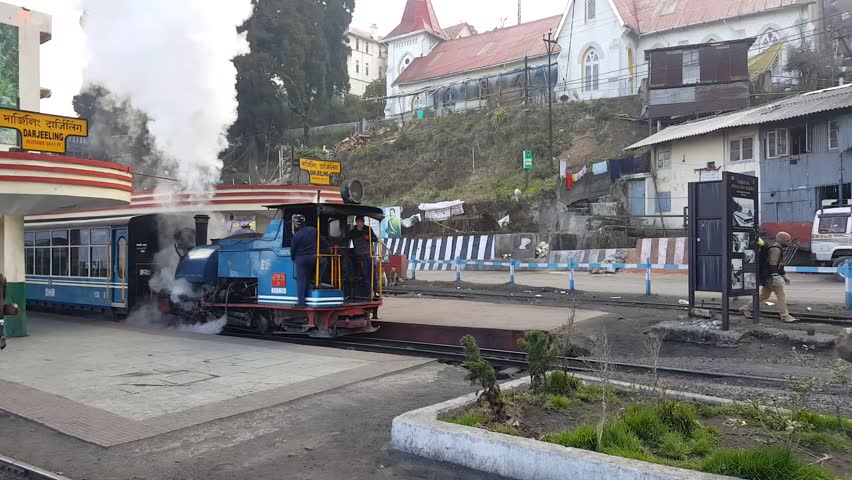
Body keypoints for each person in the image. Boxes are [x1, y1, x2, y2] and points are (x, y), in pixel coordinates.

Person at [741, 232, 797, 323]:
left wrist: (784, 275)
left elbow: (779, 265)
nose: (789, 242)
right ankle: (785, 315)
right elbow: (773, 264)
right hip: (770, 277)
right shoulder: (776, 249)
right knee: (781, 295)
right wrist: (775, 277)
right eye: (787, 240)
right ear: (782, 240)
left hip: (767, 276)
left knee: (764, 295)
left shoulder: (778, 248)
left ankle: (746, 308)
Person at [289, 214, 318, 308]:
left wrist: (293, 258)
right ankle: (317, 283)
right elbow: (321, 240)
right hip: (313, 257)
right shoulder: (313, 230)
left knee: (301, 280)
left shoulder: (297, 235)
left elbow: (292, 249)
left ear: (296, 224)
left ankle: (301, 303)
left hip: (301, 259)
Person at [348, 215, 378, 298]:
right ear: (356, 222)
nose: (361, 223)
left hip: (369, 254)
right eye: (360, 222)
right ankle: (369, 291)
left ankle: (376, 291)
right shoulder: (353, 232)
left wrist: (369, 238)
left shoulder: (368, 229)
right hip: (360, 256)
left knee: (373, 273)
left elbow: (375, 239)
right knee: (365, 274)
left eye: (362, 222)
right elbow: (346, 239)